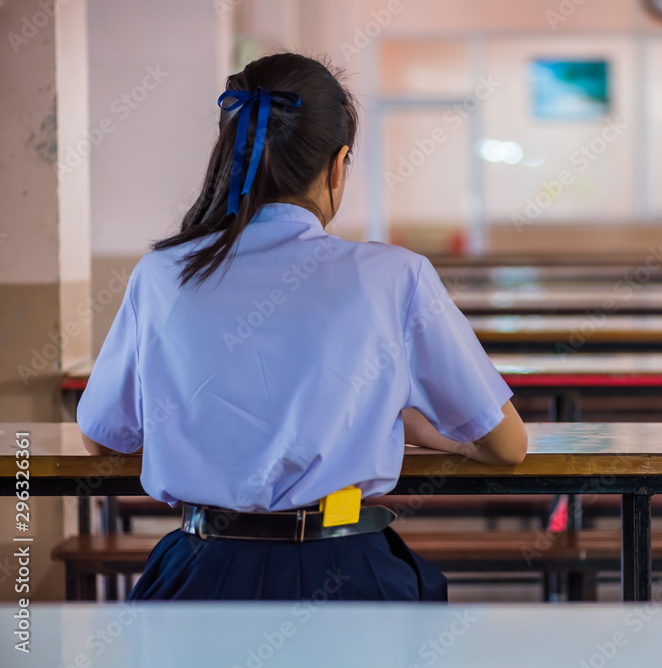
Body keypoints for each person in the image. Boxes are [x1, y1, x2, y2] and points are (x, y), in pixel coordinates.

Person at [77, 53, 528, 602]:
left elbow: (103, 435)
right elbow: (506, 443)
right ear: (339, 165)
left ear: (230, 154)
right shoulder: (395, 275)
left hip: (199, 572)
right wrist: (394, 419)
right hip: (345, 572)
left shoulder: (161, 274)